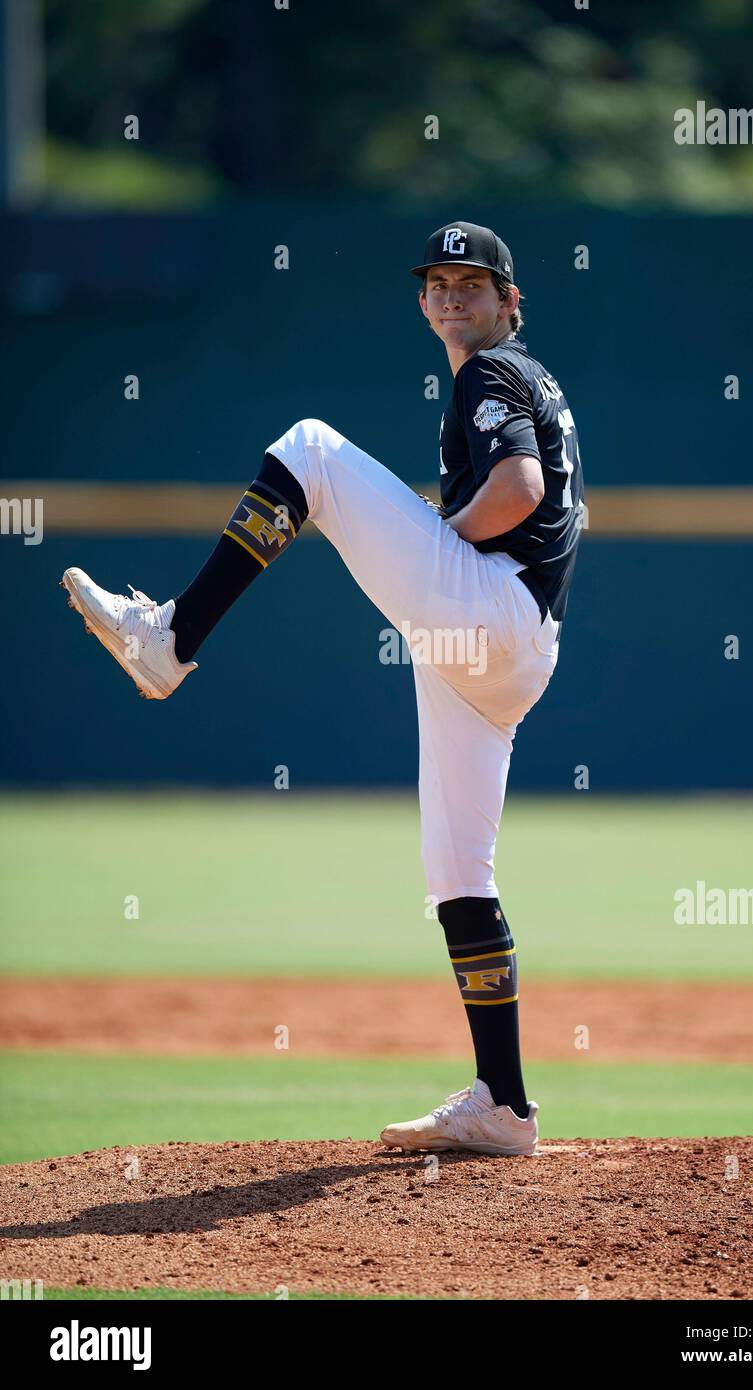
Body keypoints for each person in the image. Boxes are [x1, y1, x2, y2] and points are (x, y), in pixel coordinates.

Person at [61, 221, 585, 1156]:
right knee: (459, 877)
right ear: (423, 299)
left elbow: (518, 489)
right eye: (439, 281)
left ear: (511, 303)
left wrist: (441, 536)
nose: (454, 294)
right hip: (516, 651)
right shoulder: (521, 380)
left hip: (492, 612)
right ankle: (503, 1105)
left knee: (307, 449)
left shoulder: (494, 372)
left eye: (476, 282)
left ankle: (171, 640)